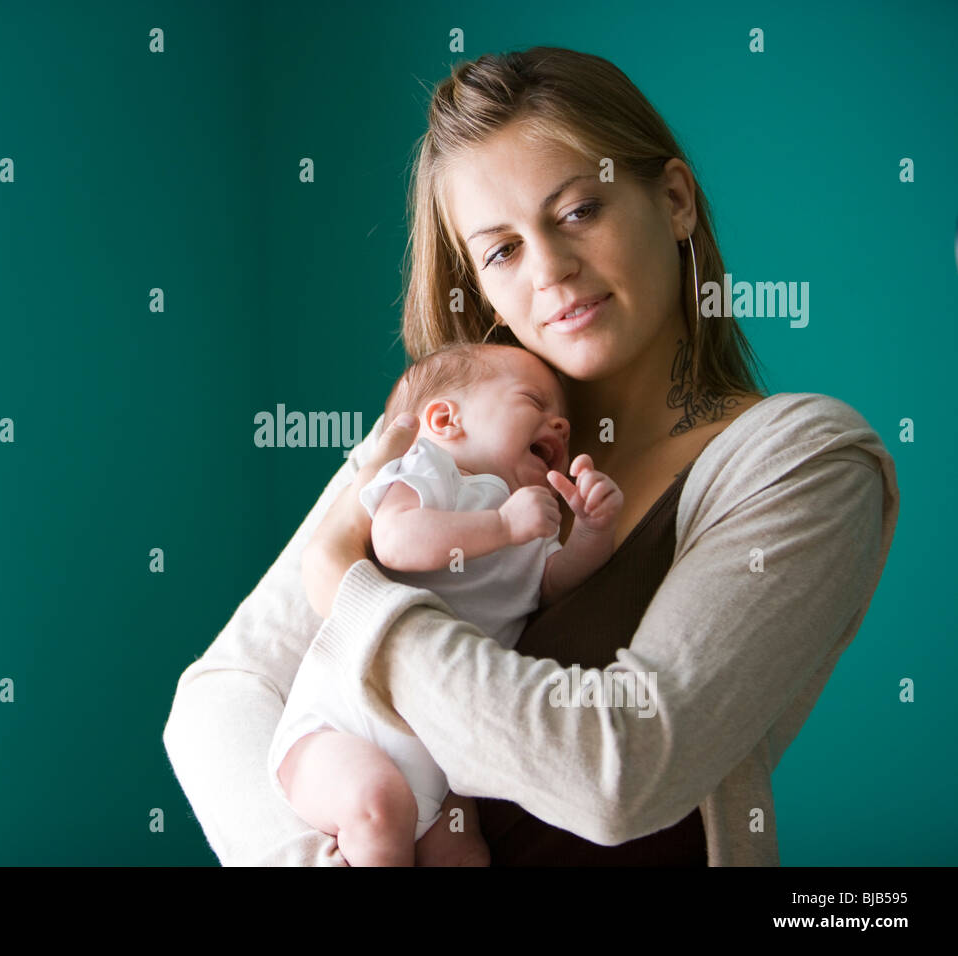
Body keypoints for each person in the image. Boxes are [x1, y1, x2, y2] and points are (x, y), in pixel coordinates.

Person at [163, 47, 900, 866]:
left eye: (580, 210)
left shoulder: (802, 463)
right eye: (503, 250)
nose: (550, 269)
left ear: (676, 200)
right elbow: (220, 697)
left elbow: (620, 775)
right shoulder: (446, 439)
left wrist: (351, 590)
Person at [271, 342, 623, 865]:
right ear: (445, 419)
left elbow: (553, 583)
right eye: (534, 402)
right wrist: (500, 526)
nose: (561, 427)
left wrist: (593, 531)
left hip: (440, 759)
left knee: (465, 852)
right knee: (377, 804)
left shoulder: (530, 529)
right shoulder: (429, 470)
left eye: (564, 422)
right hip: (339, 728)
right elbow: (396, 541)